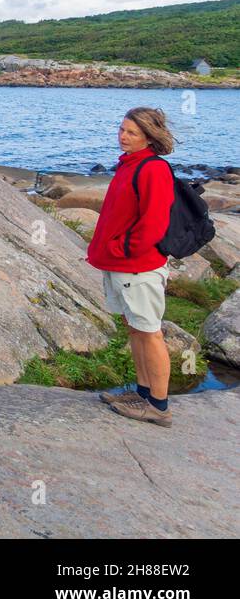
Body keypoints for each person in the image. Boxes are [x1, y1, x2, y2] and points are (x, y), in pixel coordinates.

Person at [88, 107, 177, 427]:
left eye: (131, 133)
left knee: (150, 332)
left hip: (137, 267)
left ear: (149, 138)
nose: (122, 136)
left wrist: (120, 248)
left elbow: (153, 225)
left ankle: (159, 405)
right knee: (136, 328)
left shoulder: (153, 169)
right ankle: (142, 393)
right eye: (122, 129)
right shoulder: (129, 164)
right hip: (121, 265)